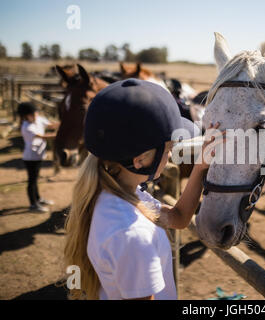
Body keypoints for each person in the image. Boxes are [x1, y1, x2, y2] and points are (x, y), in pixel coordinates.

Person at [63, 79, 221, 300]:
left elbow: (178, 218)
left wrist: (201, 166)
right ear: (140, 161)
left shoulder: (115, 193)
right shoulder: (133, 235)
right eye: (169, 149)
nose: (171, 156)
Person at [17, 102, 59, 213]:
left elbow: (51, 125)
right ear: (26, 116)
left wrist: (64, 123)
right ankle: (33, 204)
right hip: (30, 158)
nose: (36, 114)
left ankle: (38, 199)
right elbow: (42, 136)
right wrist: (59, 135)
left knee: (35, 179)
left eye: (35, 112)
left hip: (38, 155)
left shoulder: (39, 119)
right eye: (33, 113)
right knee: (32, 181)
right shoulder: (26, 127)